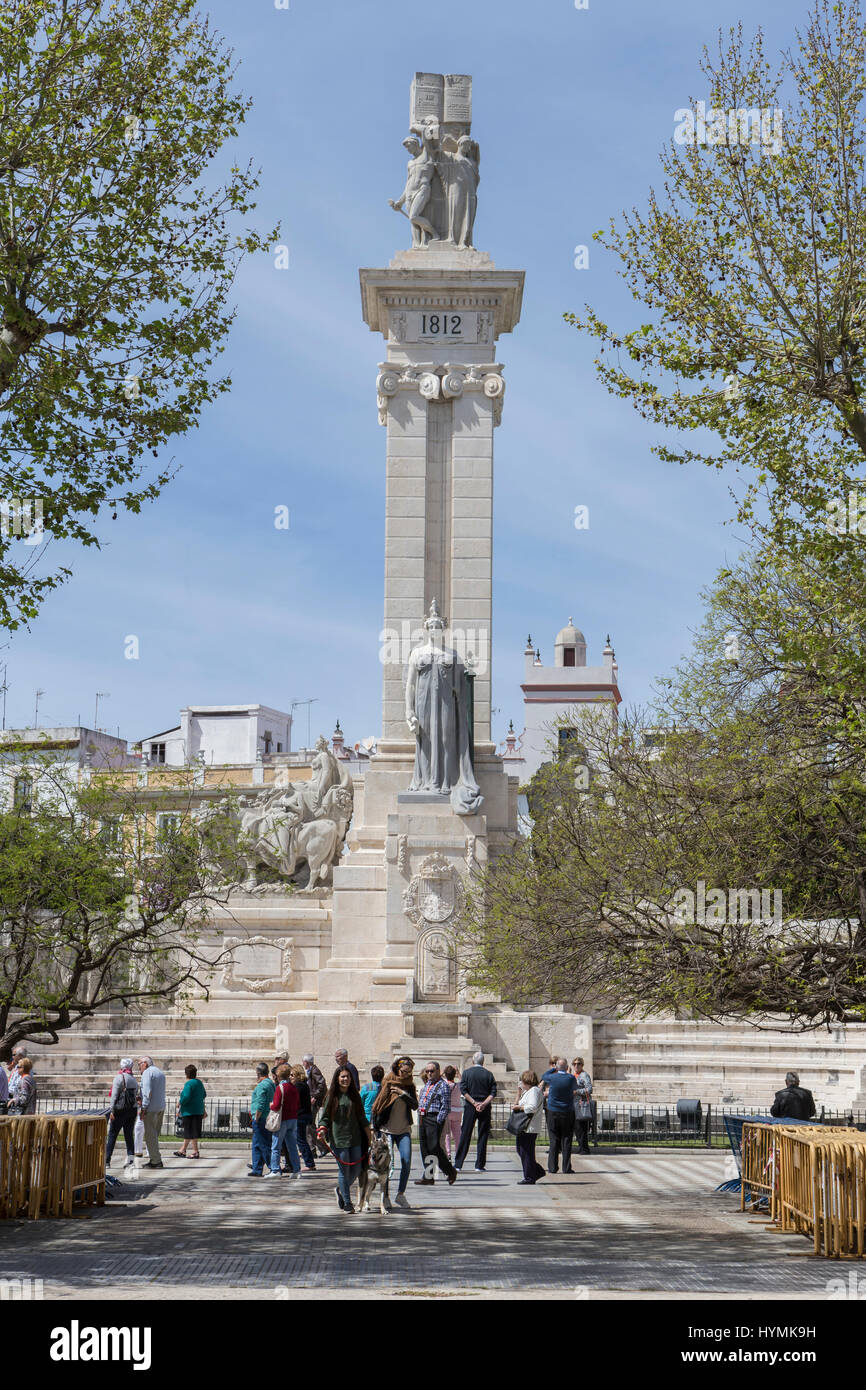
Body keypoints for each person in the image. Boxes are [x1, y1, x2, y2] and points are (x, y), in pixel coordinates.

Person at [317, 1067, 371, 1213]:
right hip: (339, 1139)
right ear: (337, 1079)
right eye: (342, 1077)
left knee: (357, 1169)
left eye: (347, 1077)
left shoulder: (355, 1096)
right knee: (344, 1170)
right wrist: (322, 1129)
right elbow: (326, 1118)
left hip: (355, 1138)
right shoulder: (332, 1096)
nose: (345, 1079)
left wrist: (369, 1137)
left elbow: (362, 1118)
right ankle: (347, 1203)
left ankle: (340, 1190)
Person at [371, 1057, 418, 1210]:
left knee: (406, 1161)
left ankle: (401, 1194)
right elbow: (377, 1105)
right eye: (403, 1071)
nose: (405, 1075)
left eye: (409, 1072)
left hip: (403, 1129)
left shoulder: (409, 1086)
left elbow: (415, 1106)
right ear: (397, 1069)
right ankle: (385, 1197)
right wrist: (374, 1126)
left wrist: (402, 1093)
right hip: (387, 1131)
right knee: (388, 1165)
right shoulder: (387, 1082)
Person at [415, 1062, 457, 1186]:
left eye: (432, 1071)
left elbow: (446, 1106)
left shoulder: (442, 1085)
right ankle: (428, 1176)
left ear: (438, 1071)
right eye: (427, 1071)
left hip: (434, 1118)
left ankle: (450, 1171)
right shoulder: (428, 1083)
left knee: (434, 1147)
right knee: (425, 1148)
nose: (429, 1073)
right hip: (423, 1117)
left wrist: (438, 1120)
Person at [454, 1051, 497, 1172]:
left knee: (465, 1135)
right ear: (483, 1062)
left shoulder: (467, 1073)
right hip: (485, 1107)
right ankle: (479, 1165)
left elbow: (463, 1090)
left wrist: (474, 1102)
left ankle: (458, 1164)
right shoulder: (489, 1074)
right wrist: (483, 1103)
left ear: (473, 1061)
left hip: (470, 1107)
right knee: (483, 1136)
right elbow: (493, 1092)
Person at [544, 1059, 578, 1174]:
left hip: (553, 1111)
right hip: (567, 1111)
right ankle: (566, 1167)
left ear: (557, 1067)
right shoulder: (570, 1078)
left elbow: (544, 1076)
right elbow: (575, 1088)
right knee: (566, 1139)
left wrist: (554, 1068)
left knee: (553, 1139)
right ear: (567, 1066)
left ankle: (553, 1167)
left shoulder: (552, 1077)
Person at [512, 1070, 546, 1185]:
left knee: (526, 1151)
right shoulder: (528, 1091)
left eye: (522, 1080)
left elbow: (532, 1107)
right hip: (525, 1127)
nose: (521, 1083)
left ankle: (530, 1177)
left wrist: (519, 1108)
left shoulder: (534, 1091)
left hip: (529, 1127)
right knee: (521, 1150)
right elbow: (518, 1103)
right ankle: (536, 1171)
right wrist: (518, 1093)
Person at [269, 1064, 301, 1178]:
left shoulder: (280, 1088)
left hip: (282, 1120)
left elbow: (276, 1105)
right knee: (292, 1146)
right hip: (293, 1119)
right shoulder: (294, 1087)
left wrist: (271, 1105)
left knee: (276, 1146)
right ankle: (297, 1170)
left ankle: (275, 1170)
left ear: (278, 1076)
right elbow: (298, 1104)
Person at [105, 1058, 138, 1168]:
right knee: (129, 1136)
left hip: (120, 1110)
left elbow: (114, 1095)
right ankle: (131, 1161)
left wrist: (112, 1110)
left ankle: (107, 1160)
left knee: (112, 1135)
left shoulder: (119, 1077)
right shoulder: (133, 1079)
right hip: (132, 1110)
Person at [138, 1055, 166, 1169]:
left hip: (151, 1109)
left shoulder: (147, 1073)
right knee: (154, 1135)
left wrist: (143, 1108)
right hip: (160, 1107)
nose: (139, 1067)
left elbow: (147, 1092)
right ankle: (155, 1158)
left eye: (139, 1064)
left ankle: (156, 1161)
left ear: (144, 1064)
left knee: (150, 1136)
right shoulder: (159, 1072)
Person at [248, 1062, 276, 1177]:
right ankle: (257, 1168)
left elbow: (260, 1103)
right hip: (266, 1117)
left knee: (264, 1144)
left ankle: (273, 1167)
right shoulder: (271, 1084)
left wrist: (256, 1117)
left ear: (258, 1073)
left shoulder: (262, 1085)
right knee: (257, 1144)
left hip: (261, 1118)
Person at [175, 1064, 207, 1159]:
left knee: (191, 1132)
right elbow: (204, 1094)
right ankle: (183, 1150)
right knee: (190, 1132)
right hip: (198, 1110)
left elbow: (186, 1096)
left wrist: (180, 1102)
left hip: (189, 1111)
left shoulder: (188, 1084)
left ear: (186, 1074)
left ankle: (195, 1151)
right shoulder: (199, 1082)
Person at [291, 1064, 316, 1172]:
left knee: (300, 1140)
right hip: (304, 1115)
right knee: (301, 1139)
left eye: (292, 1075)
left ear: (297, 1075)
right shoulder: (303, 1085)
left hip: (300, 1116)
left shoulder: (299, 1086)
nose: (290, 1077)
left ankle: (309, 1163)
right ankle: (309, 1162)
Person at [303, 1054, 327, 1156]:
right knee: (309, 1125)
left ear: (307, 1062)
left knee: (309, 1125)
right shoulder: (311, 1070)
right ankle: (313, 1149)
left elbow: (322, 1084)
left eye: (303, 1062)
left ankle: (322, 1148)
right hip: (311, 1101)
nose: (303, 1064)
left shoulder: (314, 1070)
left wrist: (314, 1096)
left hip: (313, 1102)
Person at [571, 1057, 593, 1157]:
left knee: (581, 1127)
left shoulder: (584, 1075)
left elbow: (589, 1089)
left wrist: (577, 1092)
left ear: (582, 1065)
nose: (576, 1065)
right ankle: (581, 1147)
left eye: (579, 1064)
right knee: (576, 1127)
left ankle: (584, 1148)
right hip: (573, 1105)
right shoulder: (573, 1075)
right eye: (574, 1064)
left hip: (581, 1104)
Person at [442, 1065, 462, 1161]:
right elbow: (464, 1082)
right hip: (457, 1111)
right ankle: (459, 1153)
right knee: (457, 1134)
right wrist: (458, 1072)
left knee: (447, 1134)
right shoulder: (458, 1085)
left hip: (448, 1111)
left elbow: (438, 1078)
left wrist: (443, 1072)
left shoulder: (444, 1084)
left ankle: (448, 1153)